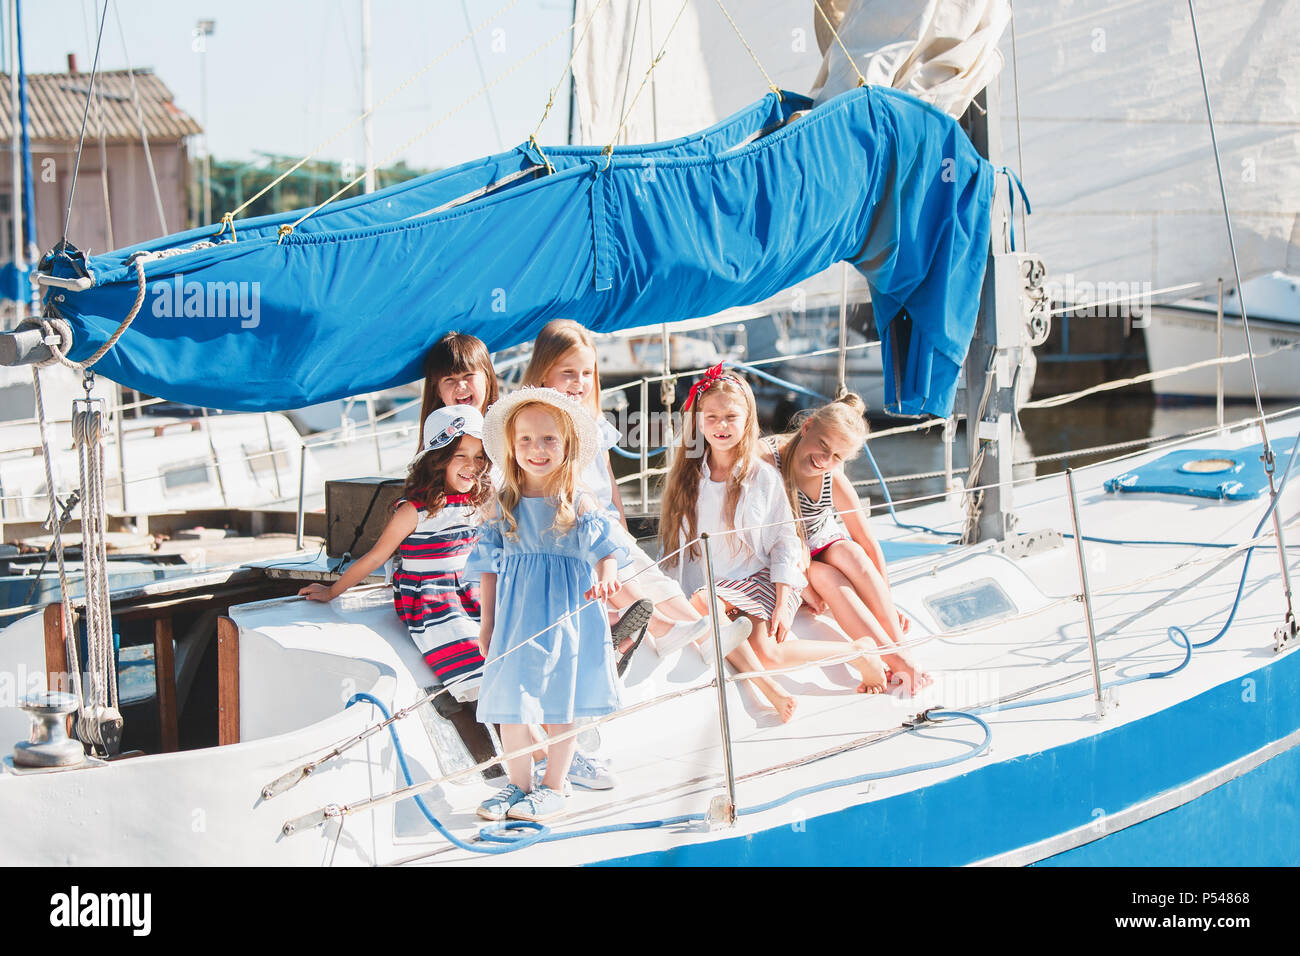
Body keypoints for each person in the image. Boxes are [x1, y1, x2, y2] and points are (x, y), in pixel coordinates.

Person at [658, 366, 888, 721]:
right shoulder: (688, 477)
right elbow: (680, 545)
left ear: (747, 418)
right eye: (712, 417)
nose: (721, 425)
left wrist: (784, 599)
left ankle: (828, 664)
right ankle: (852, 652)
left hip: (767, 576)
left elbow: (785, 540)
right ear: (698, 421)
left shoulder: (760, 474)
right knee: (763, 650)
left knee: (707, 603)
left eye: (731, 417)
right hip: (727, 582)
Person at [521, 318, 746, 663]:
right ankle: (663, 628)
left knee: (654, 577)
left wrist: (623, 527)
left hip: (605, 523)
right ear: (543, 373)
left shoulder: (591, 420)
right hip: (573, 527)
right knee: (627, 578)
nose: (579, 383)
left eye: (585, 373)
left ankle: (703, 633)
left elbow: (608, 477)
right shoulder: (540, 423)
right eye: (568, 372)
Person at [468, 387, 626, 824]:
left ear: (568, 445)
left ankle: (554, 785)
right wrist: (487, 623)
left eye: (549, 439)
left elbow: (608, 547)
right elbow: (488, 567)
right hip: (516, 622)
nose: (537, 449)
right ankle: (517, 784)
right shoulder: (505, 504)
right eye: (526, 440)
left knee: (561, 703)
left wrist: (607, 573)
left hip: (566, 618)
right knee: (509, 702)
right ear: (512, 448)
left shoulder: (579, 501)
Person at [300, 406, 491, 700]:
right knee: (473, 648)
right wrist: (331, 592)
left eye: (479, 457)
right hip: (432, 598)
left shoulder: (477, 503)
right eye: (461, 456)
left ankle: (538, 739)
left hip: (469, 590)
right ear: (438, 461)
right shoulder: (414, 510)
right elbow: (377, 556)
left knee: (508, 643)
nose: (472, 465)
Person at [762, 394, 931, 695]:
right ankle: (895, 660)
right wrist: (805, 588)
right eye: (823, 445)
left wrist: (887, 604)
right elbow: (778, 538)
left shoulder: (832, 478)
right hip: (790, 553)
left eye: (837, 457)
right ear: (808, 426)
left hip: (822, 541)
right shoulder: (768, 461)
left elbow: (866, 540)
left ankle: (900, 653)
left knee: (852, 553)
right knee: (828, 579)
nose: (825, 460)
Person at [416, 332, 500, 450]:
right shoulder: (434, 447)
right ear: (438, 391)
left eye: (468, 375)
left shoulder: (509, 433)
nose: (460, 386)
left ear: (487, 379)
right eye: (449, 379)